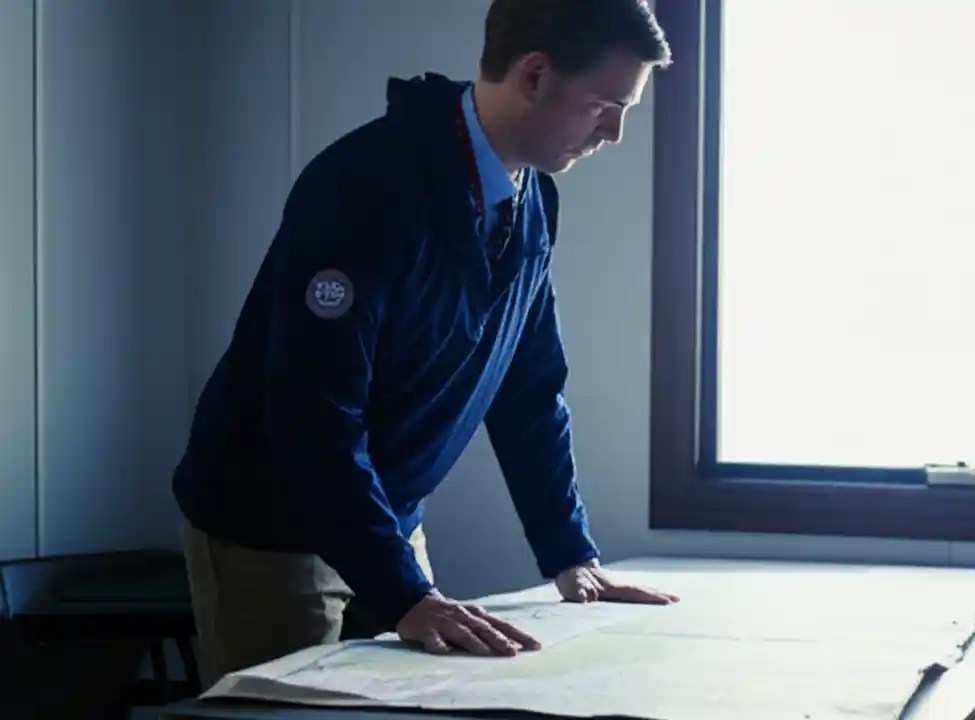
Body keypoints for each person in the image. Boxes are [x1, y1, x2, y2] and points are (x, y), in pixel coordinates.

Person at [172, 0, 678, 689]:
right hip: (272, 527)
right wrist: (405, 591)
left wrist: (569, 551)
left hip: (388, 517)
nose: (614, 133)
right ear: (534, 76)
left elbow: (528, 388)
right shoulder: (363, 186)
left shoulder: (534, 197)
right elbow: (312, 413)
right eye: (604, 106)